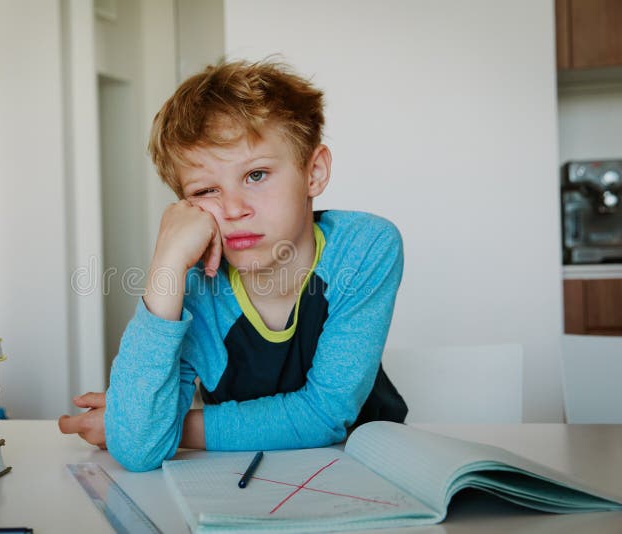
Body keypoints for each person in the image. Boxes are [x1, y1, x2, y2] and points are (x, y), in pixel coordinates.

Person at [58, 59, 407, 472]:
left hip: (366, 469)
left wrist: (171, 427)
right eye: (206, 190)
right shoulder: (193, 289)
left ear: (313, 172)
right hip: (238, 475)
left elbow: (325, 414)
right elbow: (137, 449)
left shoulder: (365, 248)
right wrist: (166, 264)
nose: (234, 208)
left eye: (256, 175)